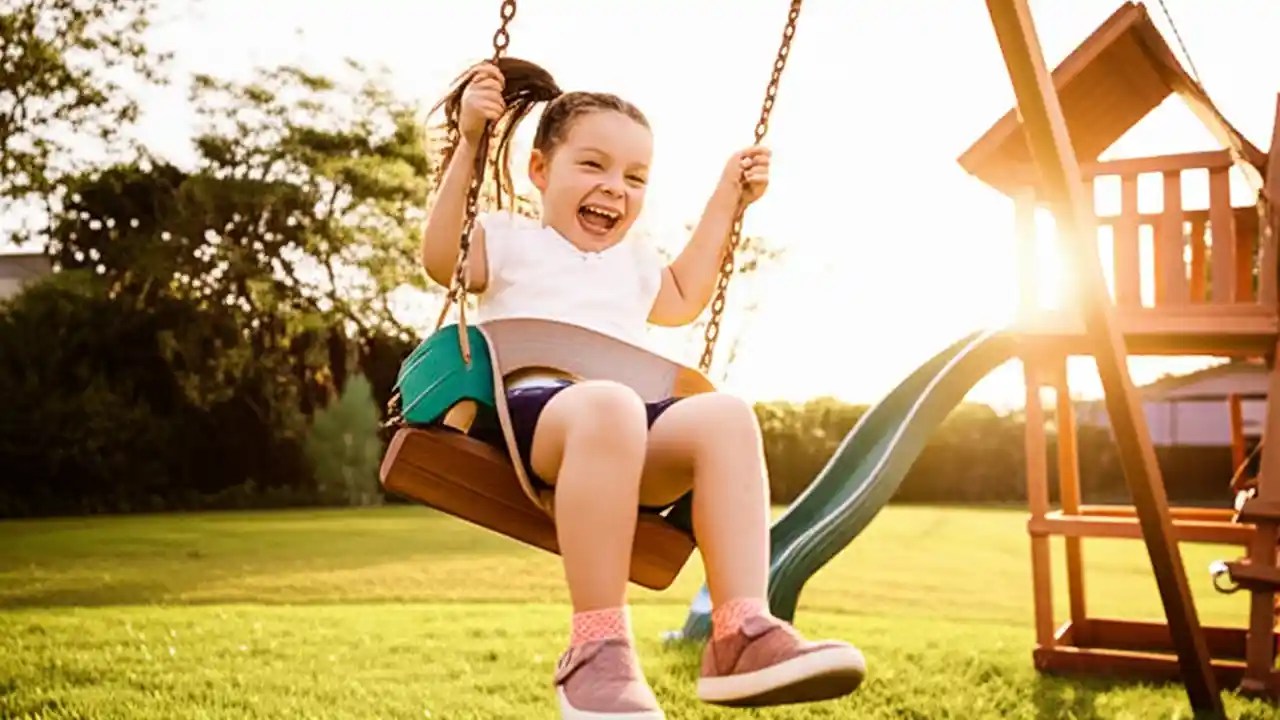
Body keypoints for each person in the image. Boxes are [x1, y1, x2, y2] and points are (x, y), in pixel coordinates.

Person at [420, 57, 865, 719]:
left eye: (635, 177)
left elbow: (684, 295)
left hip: (632, 429)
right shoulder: (509, 239)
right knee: (609, 405)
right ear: (540, 171)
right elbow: (440, 257)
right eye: (592, 166)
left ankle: (740, 634)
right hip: (538, 423)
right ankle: (596, 652)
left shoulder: (633, 262)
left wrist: (728, 195)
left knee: (724, 416)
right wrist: (472, 142)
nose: (614, 189)